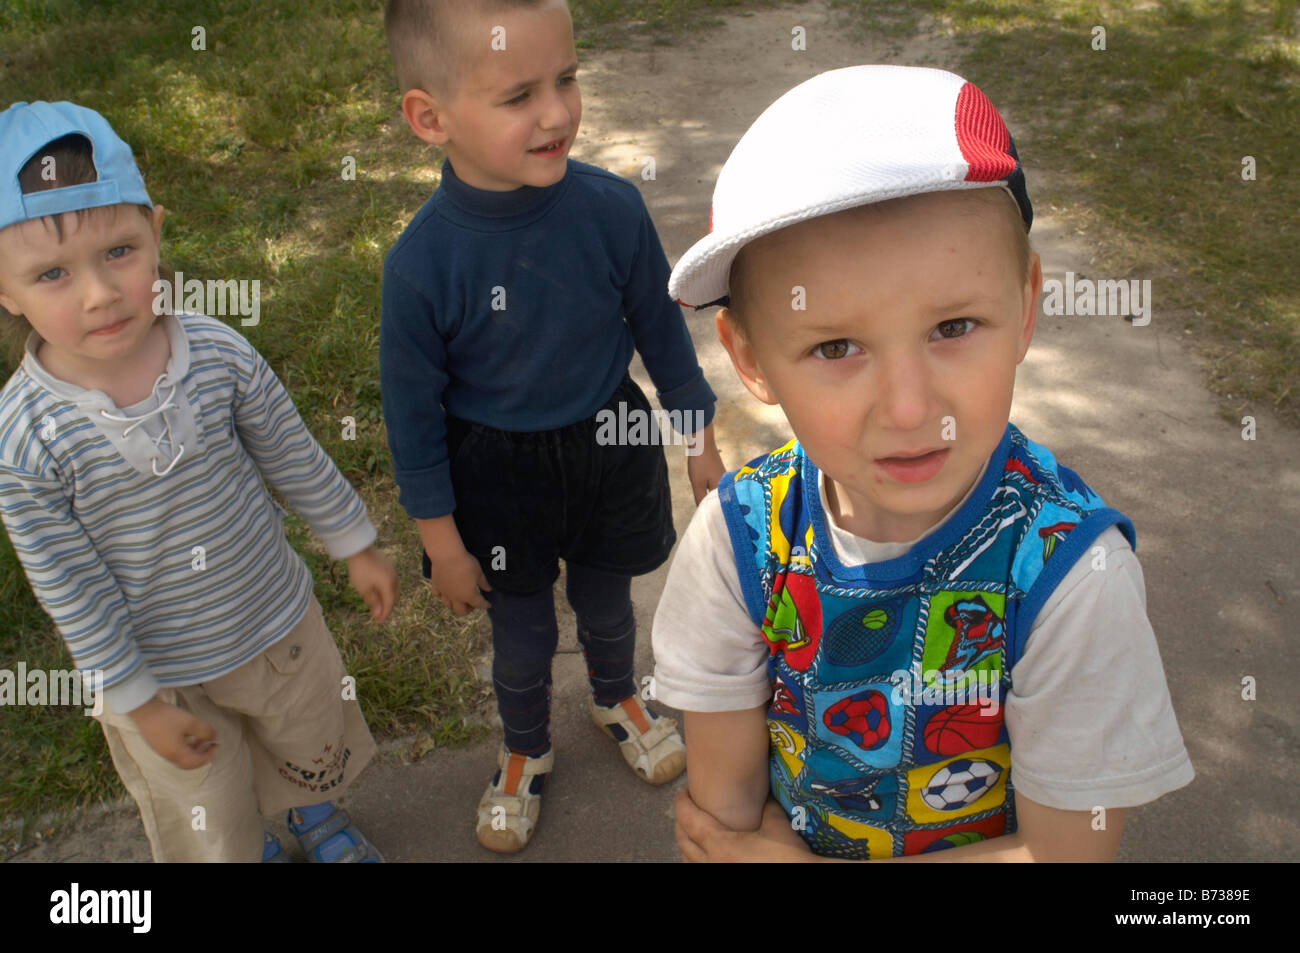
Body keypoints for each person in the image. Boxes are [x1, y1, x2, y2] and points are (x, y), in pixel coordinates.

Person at [652, 65, 1194, 861]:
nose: (909, 408)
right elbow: (723, 822)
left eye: (953, 325)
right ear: (751, 358)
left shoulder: (1071, 577)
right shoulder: (736, 543)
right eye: (835, 345)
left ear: (1025, 308)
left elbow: (1068, 856)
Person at [0, 101, 398, 862]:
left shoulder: (214, 351)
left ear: (155, 229)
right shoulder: (26, 440)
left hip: (273, 621)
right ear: (4, 288)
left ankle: (316, 815)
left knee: (305, 735)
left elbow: (291, 451)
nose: (98, 293)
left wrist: (354, 543)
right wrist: (137, 701)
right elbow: (69, 585)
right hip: (162, 671)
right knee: (208, 802)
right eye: (52, 272)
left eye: (119, 251)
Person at [380, 0, 726, 853]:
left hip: (611, 442)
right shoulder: (421, 265)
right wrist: (442, 540)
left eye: (566, 79)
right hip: (497, 474)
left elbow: (659, 329)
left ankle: (617, 692)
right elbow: (411, 416)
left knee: (609, 599)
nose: (558, 113)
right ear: (431, 118)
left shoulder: (610, 209)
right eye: (518, 95)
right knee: (524, 630)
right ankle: (525, 745)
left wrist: (699, 440)